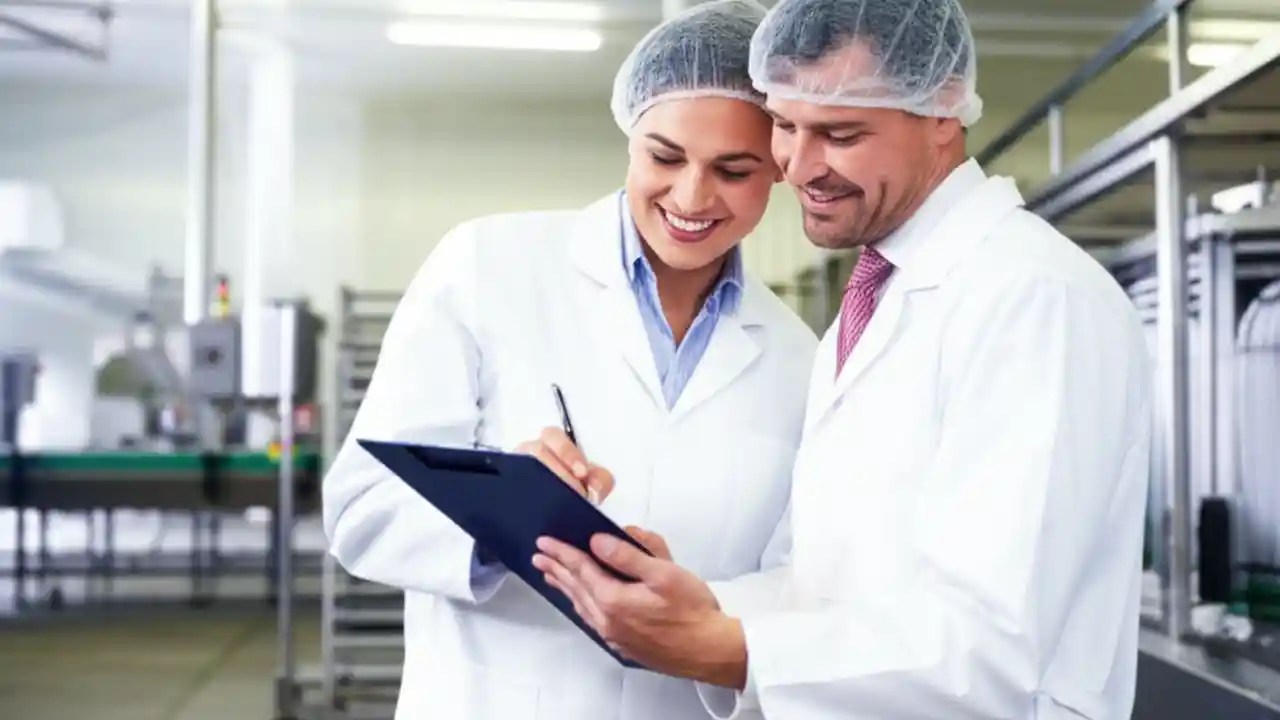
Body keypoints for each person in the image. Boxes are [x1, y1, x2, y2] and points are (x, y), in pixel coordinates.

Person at [530, 0, 1154, 718]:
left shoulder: (1035, 298)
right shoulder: (874, 304)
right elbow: (821, 580)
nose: (798, 166)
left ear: (943, 113)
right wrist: (706, 606)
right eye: (786, 127)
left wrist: (716, 644)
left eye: (840, 133)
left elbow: (993, 644)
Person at [322, 2, 817, 718]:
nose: (691, 195)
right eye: (665, 156)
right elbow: (361, 508)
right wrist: (504, 516)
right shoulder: (486, 266)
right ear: (630, 137)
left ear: (779, 167)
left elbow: (798, 577)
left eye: (734, 170)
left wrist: (705, 611)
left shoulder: (801, 358)